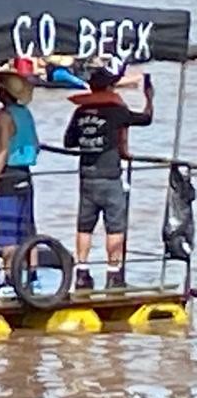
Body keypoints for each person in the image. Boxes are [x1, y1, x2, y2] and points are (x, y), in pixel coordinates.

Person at [63, 67, 154, 289]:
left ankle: (82, 273)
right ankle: (114, 275)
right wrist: (149, 98)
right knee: (115, 227)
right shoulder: (116, 111)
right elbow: (146, 118)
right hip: (110, 176)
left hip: (86, 176)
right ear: (109, 87)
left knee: (84, 226)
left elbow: (69, 141)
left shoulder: (81, 112)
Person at [0, 72, 40, 282]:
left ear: (4, 93)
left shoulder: (4, 116)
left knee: (7, 229)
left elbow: (2, 149)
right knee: (27, 226)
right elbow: (35, 144)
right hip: (25, 174)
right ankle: (32, 272)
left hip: (8, 175)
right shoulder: (25, 114)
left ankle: (8, 275)